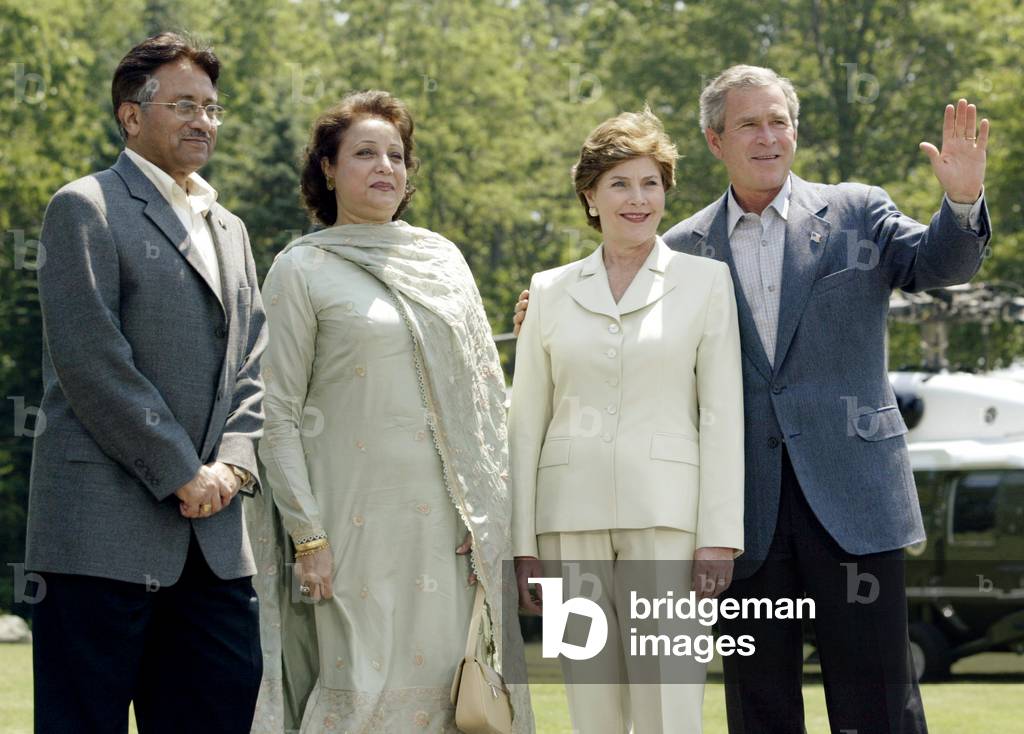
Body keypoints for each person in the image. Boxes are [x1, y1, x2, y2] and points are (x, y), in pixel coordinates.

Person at [515, 65, 992, 733]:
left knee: (879, 706)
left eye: (779, 122)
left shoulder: (857, 211)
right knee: (760, 709)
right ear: (716, 141)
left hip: (855, 501)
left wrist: (963, 202)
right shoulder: (682, 247)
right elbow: (618, 327)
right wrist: (547, 311)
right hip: (744, 519)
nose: (768, 137)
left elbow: (938, 265)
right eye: (749, 124)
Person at [250, 90, 534, 733]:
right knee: (362, 691)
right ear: (327, 168)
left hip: (450, 535)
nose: (385, 166)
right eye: (364, 153)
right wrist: (308, 537)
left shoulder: (442, 262)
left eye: (397, 155)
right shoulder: (302, 268)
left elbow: (483, 398)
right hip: (348, 529)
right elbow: (277, 413)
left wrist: (485, 508)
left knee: (454, 699)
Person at [26, 32, 267, 733]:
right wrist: (181, 471)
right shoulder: (85, 207)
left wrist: (232, 467)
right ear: (131, 116)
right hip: (99, 538)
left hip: (215, 545)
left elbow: (254, 364)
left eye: (212, 108)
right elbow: (92, 362)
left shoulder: (231, 229)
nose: (204, 121)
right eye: (184, 105)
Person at [509, 109, 745, 734]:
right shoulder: (548, 290)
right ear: (590, 196)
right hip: (567, 524)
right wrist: (522, 544)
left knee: (669, 705)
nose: (638, 199)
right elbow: (525, 423)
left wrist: (718, 535)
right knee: (592, 709)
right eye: (619, 184)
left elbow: (723, 415)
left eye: (651, 183)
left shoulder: (707, 282)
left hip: (670, 521)